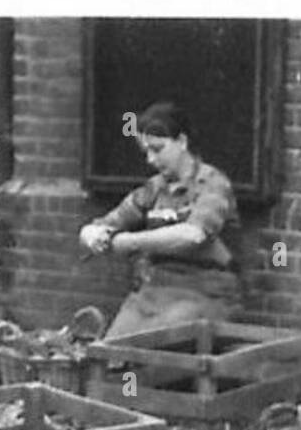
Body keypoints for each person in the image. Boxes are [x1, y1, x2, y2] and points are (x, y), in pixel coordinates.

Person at [78, 101, 240, 339]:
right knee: (112, 348)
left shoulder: (213, 184)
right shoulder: (153, 189)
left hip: (207, 293)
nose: (151, 160)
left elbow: (193, 235)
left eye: (158, 149)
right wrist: (90, 234)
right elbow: (106, 222)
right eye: (146, 152)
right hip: (155, 291)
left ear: (182, 142)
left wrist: (129, 242)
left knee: (151, 346)